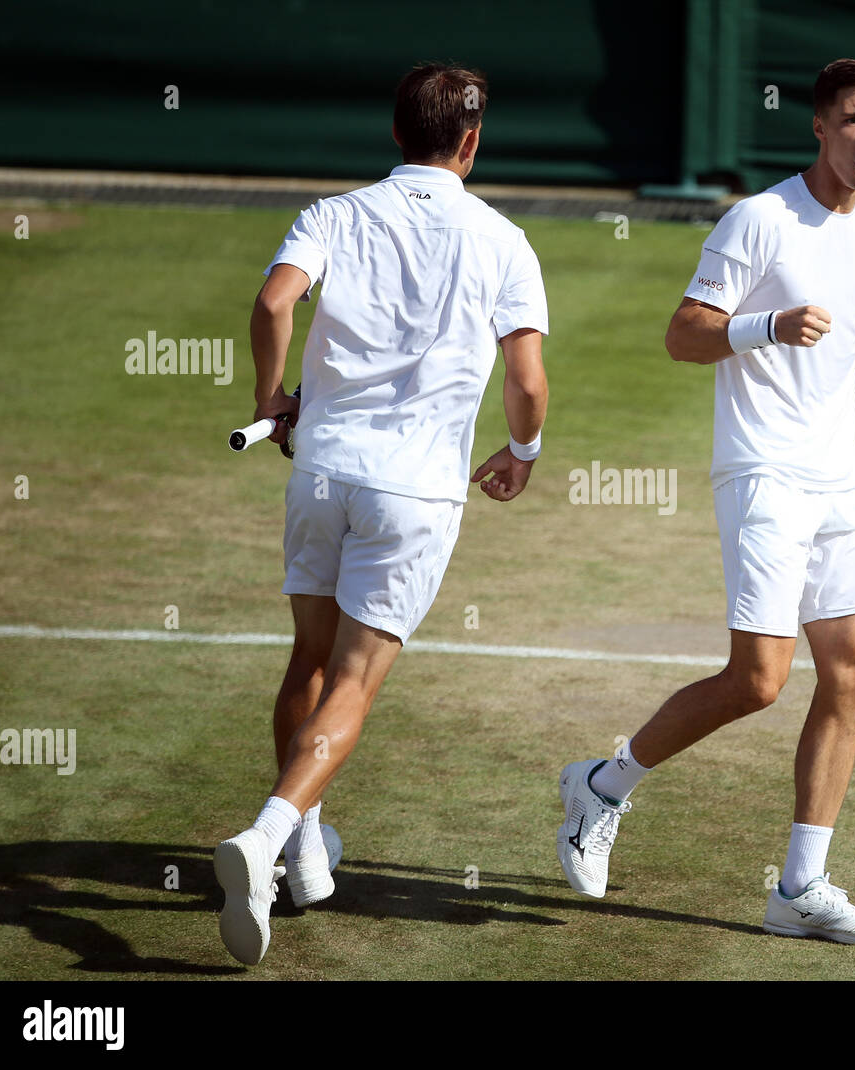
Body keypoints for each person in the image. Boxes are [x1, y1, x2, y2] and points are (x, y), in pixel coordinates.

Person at [556, 58, 855, 945]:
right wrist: (767, 327)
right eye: (854, 122)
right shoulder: (757, 220)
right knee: (758, 681)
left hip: (839, 480)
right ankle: (601, 787)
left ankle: (801, 886)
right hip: (763, 474)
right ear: (819, 128)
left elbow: (838, 366)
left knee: (853, 670)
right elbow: (682, 335)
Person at [216, 63, 549, 966]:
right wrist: (522, 455)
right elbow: (526, 383)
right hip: (414, 491)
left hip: (320, 471)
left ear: (397, 132)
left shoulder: (331, 215)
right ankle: (266, 835)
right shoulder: (506, 240)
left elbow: (274, 301)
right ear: (471, 142)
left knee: (309, 661)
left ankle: (304, 857)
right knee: (355, 683)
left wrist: (272, 397)